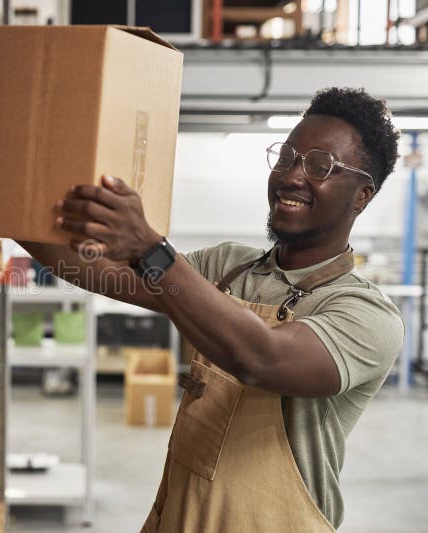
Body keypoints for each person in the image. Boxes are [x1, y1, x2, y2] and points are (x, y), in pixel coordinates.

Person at [22, 87, 404, 532]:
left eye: (320, 165)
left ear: (362, 195)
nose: (292, 175)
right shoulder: (227, 267)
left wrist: (152, 249)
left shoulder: (364, 313)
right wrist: (11, 213)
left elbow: (262, 358)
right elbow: (96, 269)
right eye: (286, 157)